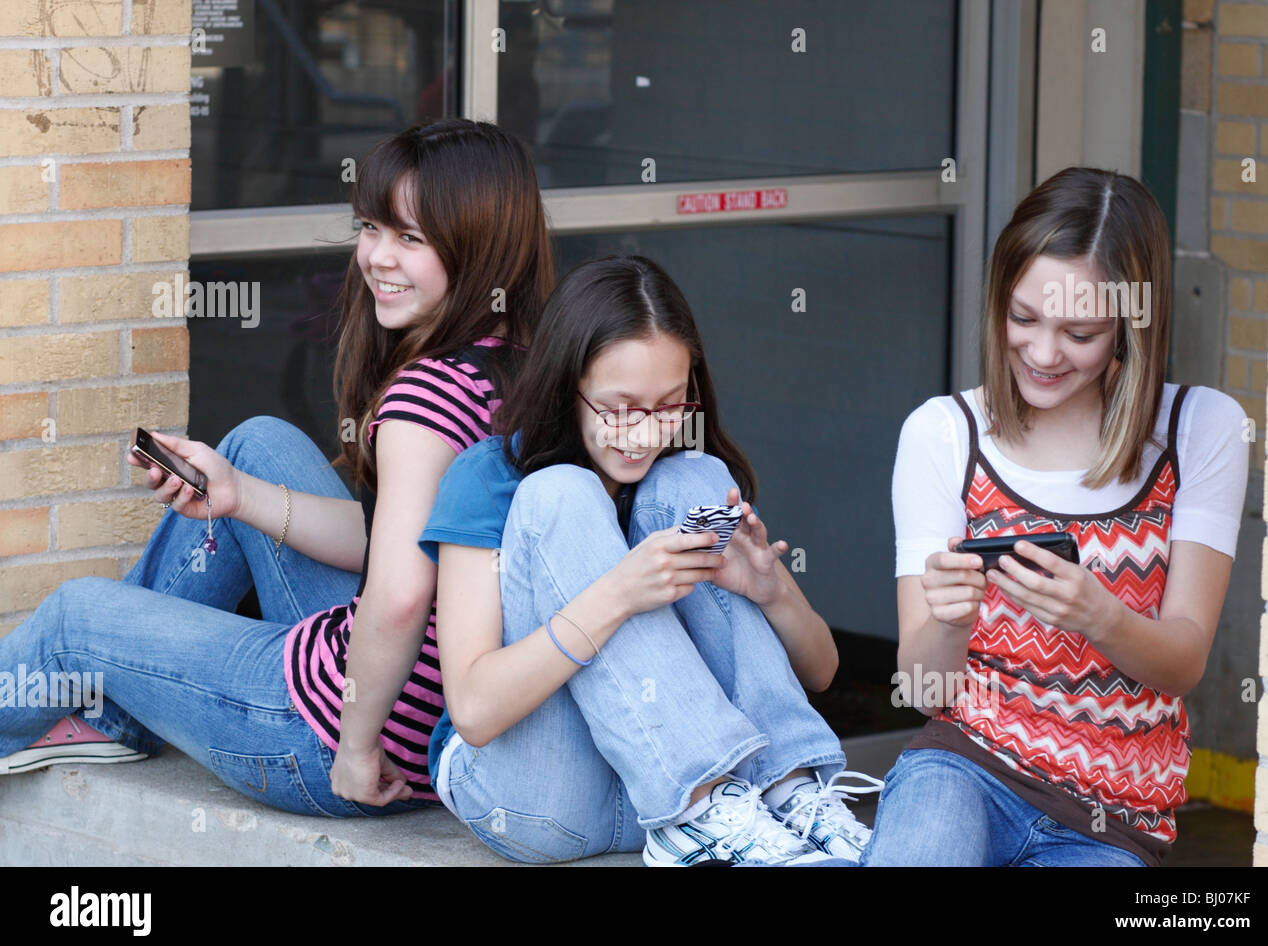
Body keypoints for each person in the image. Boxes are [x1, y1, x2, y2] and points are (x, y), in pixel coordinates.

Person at [0, 120, 555, 819]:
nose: (377, 257)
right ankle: (117, 716)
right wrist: (236, 498)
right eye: (372, 227)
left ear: (481, 244)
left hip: (332, 739)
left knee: (72, 620)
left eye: (411, 238)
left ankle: (106, 710)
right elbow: (409, 538)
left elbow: (403, 596)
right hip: (432, 713)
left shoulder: (426, 400)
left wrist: (355, 748)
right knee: (256, 444)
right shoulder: (527, 360)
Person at [419, 255, 882, 866]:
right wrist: (619, 593)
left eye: (669, 406)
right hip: (538, 790)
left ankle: (788, 792)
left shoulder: (676, 485)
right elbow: (475, 712)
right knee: (561, 491)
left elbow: (822, 670)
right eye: (619, 407)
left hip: (689, 799)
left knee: (695, 475)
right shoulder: (491, 479)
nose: (644, 433)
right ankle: (696, 806)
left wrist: (772, 593)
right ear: (567, 385)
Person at [870, 166, 1249, 866]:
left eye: (1079, 332)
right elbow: (925, 687)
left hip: (1113, 819)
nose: (1043, 354)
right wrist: (951, 620)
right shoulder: (943, 433)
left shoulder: (1202, 429)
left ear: (1130, 325)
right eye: (1023, 318)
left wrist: (1097, 616)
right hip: (964, 767)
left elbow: (1184, 662)